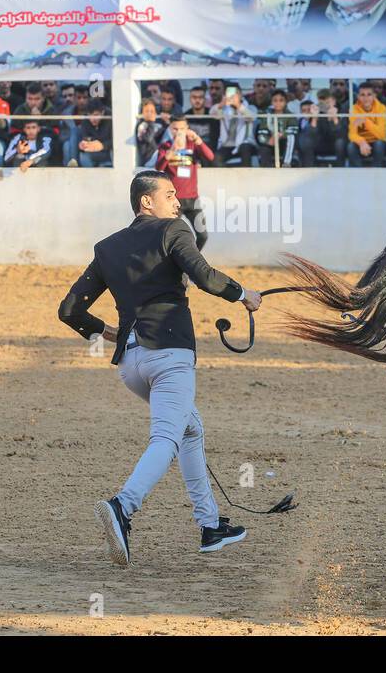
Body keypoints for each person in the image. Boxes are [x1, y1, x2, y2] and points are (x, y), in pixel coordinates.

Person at [58, 170, 262, 566]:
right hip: (169, 354)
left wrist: (109, 330)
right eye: (170, 194)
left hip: (131, 363)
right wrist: (244, 295)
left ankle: (210, 525)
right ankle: (122, 506)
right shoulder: (173, 230)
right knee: (166, 436)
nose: (177, 202)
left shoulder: (107, 247)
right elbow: (204, 276)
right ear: (145, 201)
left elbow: (69, 311)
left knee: (190, 428)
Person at [155, 113, 214, 249]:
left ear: (187, 128)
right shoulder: (166, 146)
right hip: (173, 200)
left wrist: (198, 140)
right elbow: (159, 168)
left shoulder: (193, 144)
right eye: (175, 129)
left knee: (203, 236)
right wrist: (171, 151)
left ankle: (191, 263)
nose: (179, 132)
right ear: (170, 129)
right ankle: (170, 265)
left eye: (182, 129)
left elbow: (210, 157)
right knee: (167, 236)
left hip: (193, 199)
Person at [346, 82, 386, 167]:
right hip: (361, 143)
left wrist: (366, 121)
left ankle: (376, 174)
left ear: (374, 96)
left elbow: (381, 135)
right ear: (358, 96)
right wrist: (362, 142)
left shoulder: (381, 108)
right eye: (362, 95)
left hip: (377, 141)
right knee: (351, 146)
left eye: (369, 94)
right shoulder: (353, 109)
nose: (366, 98)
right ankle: (359, 175)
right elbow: (352, 134)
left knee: (379, 144)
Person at [215, 86, 257, 167]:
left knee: (245, 149)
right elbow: (213, 114)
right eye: (230, 94)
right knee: (216, 158)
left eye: (235, 94)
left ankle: (247, 176)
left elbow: (251, 117)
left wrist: (238, 105)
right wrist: (221, 105)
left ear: (240, 95)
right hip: (227, 144)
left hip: (245, 143)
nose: (232, 97)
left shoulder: (250, 107)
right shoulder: (224, 109)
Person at [76, 100, 113, 167]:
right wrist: (84, 144)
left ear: (102, 112)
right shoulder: (85, 121)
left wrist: (102, 145)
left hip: (108, 153)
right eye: (89, 115)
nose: (92, 118)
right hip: (93, 152)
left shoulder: (110, 119)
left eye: (96, 115)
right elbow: (85, 137)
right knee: (83, 156)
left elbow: (115, 141)